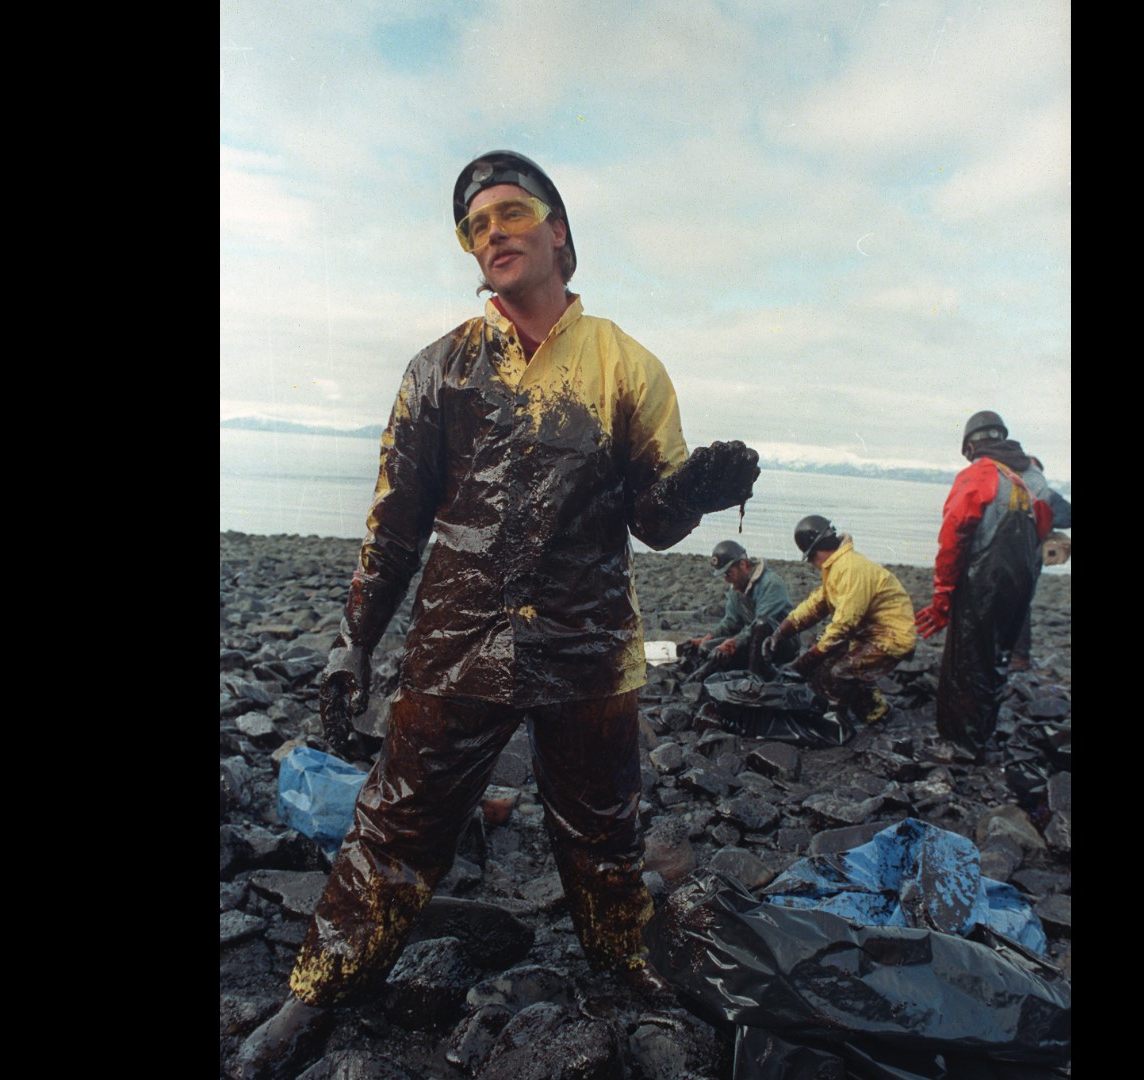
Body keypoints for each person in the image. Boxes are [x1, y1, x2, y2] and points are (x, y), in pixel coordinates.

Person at [231, 150, 762, 1078]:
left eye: (510, 212)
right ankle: (319, 986)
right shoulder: (439, 369)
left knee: (604, 826)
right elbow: (394, 522)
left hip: (588, 644)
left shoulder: (627, 368)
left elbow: (654, 521)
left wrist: (693, 496)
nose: (492, 233)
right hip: (456, 636)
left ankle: (621, 961)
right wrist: (355, 640)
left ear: (559, 231)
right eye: (475, 227)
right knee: (397, 822)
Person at [913, 411, 1042, 753]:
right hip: (1021, 583)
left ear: (971, 445)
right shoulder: (1024, 481)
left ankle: (963, 745)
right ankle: (980, 732)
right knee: (995, 659)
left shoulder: (980, 474)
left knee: (968, 659)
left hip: (985, 583)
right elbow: (1040, 532)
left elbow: (953, 537)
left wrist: (942, 598)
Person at [762, 515, 917, 726]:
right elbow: (816, 604)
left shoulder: (851, 569)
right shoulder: (837, 567)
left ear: (819, 550)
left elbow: (844, 625)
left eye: (810, 557)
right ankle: (873, 707)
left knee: (840, 671)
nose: (810, 563)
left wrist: (805, 662)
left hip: (892, 637)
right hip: (869, 633)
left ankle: (842, 719)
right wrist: (782, 631)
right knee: (823, 653)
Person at [688, 539, 797, 673]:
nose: (727, 579)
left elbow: (762, 624)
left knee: (762, 624)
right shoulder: (736, 588)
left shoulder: (771, 583)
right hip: (751, 641)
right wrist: (707, 638)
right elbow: (730, 622)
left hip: (779, 642)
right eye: (724, 575)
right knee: (706, 649)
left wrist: (732, 645)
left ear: (743, 565)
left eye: (729, 573)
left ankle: (758, 674)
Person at [1008, 455, 1071, 672]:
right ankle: (1011, 652)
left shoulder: (1049, 495)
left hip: (1030, 558)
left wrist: (1042, 517)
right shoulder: (1012, 490)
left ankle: (1020, 657)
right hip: (1012, 556)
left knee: (1020, 605)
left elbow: (1067, 516)